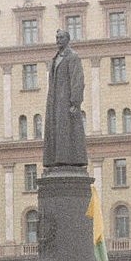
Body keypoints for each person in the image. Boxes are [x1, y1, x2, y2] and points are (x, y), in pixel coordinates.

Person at [43, 29, 87, 167]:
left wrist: (75, 102)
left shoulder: (73, 56)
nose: (58, 40)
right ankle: (55, 160)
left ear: (67, 39)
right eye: (56, 38)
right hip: (55, 102)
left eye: (61, 37)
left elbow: (77, 80)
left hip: (66, 102)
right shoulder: (56, 58)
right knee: (56, 131)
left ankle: (70, 160)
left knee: (68, 131)